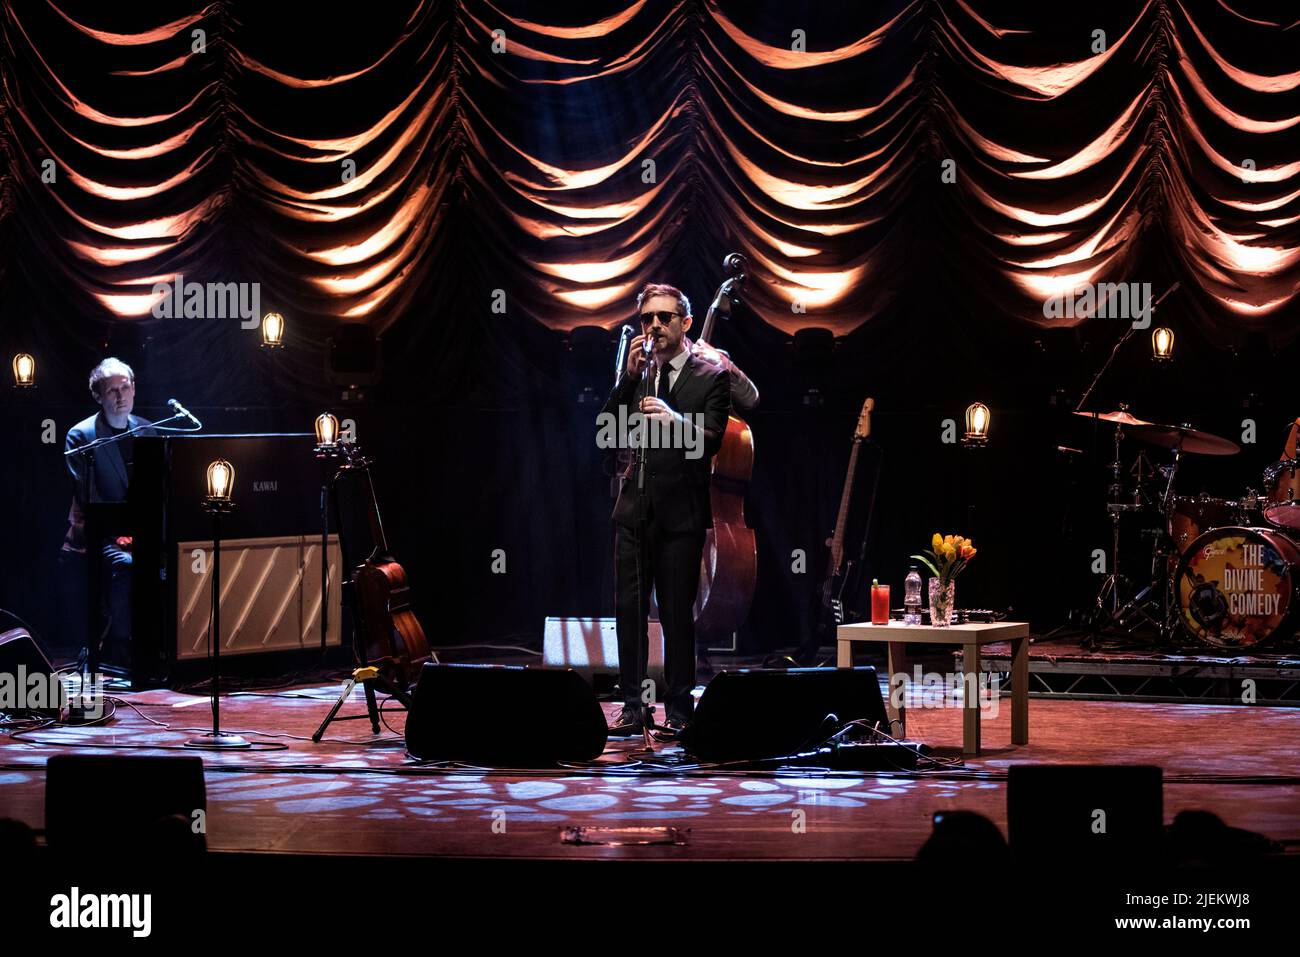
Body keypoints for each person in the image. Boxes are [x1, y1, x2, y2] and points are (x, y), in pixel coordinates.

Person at [600, 284, 730, 736]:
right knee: (629, 610)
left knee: (676, 613)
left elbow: (711, 438)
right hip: (634, 512)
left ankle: (679, 706)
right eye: (647, 319)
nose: (654, 326)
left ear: (685, 323)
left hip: (682, 514)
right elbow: (607, 435)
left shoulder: (710, 376)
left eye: (664, 318)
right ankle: (633, 705)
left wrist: (676, 422)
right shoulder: (638, 376)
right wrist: (628, 380)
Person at [61, 358, 153, 663]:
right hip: (100, 537)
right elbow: (92, 500)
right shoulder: (82, 437)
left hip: (141, 532)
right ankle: (119, 648)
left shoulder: (147, 431)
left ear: (134, 389)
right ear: (98, 396)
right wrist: (126, 534)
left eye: (125, 387)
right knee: (127, 564)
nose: (120, 396)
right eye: (111, 390)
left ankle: (164, 647)